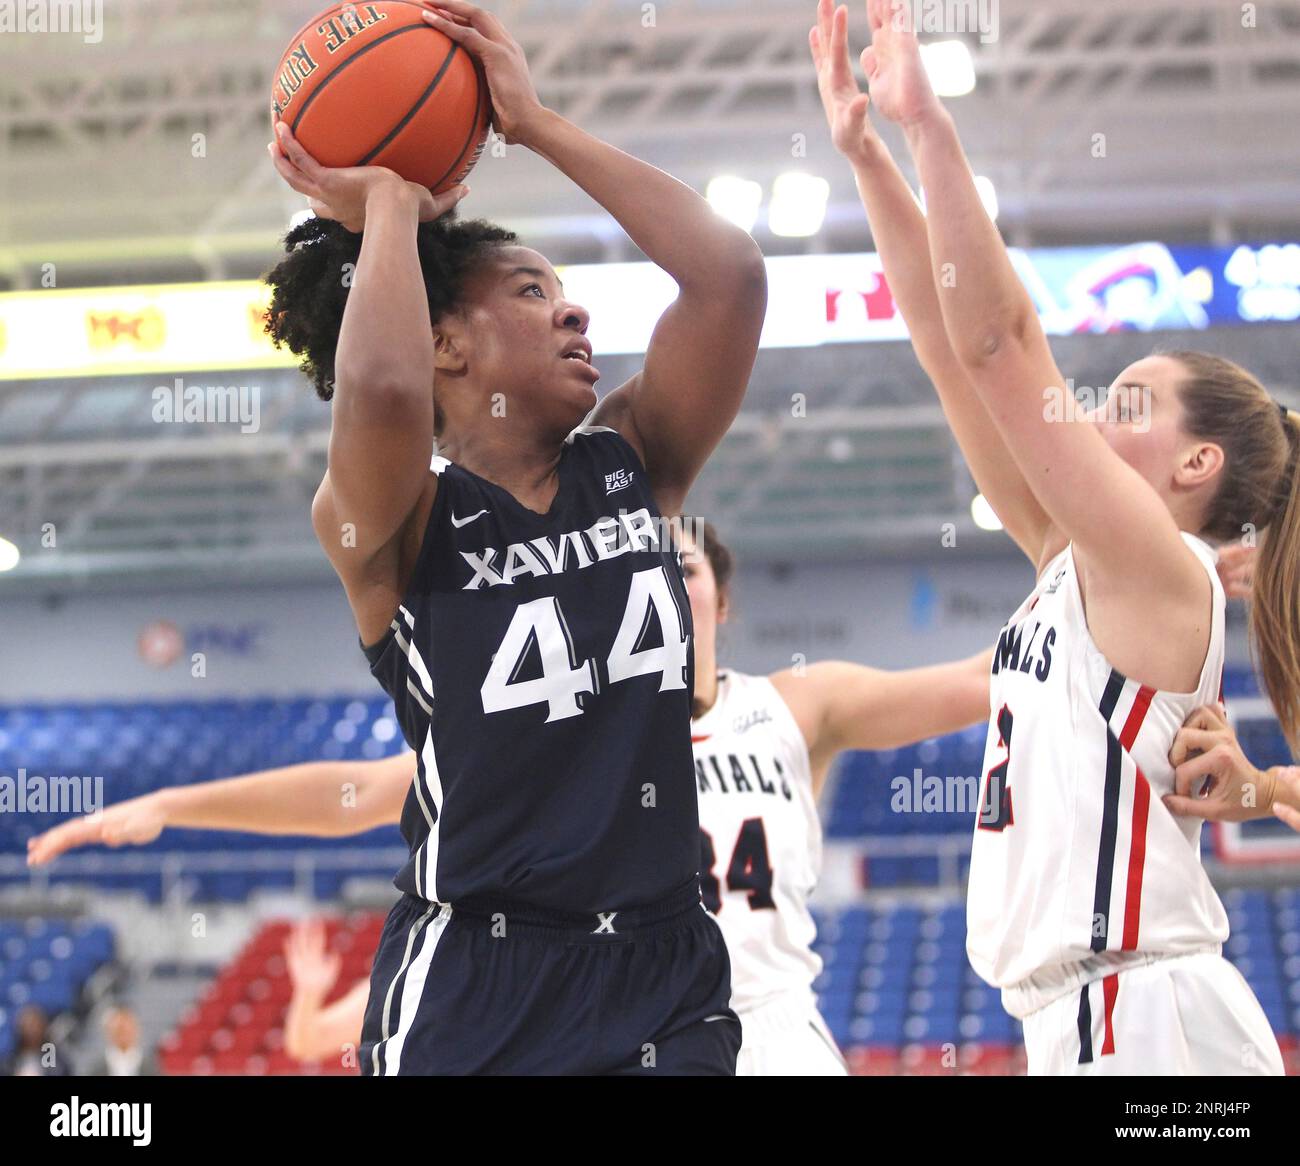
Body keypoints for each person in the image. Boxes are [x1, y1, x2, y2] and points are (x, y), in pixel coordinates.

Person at [262, 0, 768, 1074]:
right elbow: (385, 383)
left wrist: (535, 124)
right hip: (478, 975)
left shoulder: (635, 460)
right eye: (536, 292)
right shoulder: (394, 522)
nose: (575, 316)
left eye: (571, 297)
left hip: (662, 964)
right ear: (447, 342)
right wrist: (391, 207)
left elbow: (727, 279)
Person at [811, 0, 1298, 1074]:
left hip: (1147, 1012)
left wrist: (932, 128)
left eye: (1126, 406)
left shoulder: (1160, 569)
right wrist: (868, 160)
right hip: (1087, 1015)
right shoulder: (1066, 567)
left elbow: (1000, 345)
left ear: (1195, 465)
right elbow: (949, 350)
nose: (1089, 417)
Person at [2, 1006, 73, 1076]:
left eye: (35, 1025)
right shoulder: (9, 1062)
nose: (31, 1031)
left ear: (43, 1027)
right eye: (28, 1025)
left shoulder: (57, 1061)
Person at [89, 1005, 158, 1077]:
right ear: (108, 1032)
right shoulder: (96, 1070)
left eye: (128, 1029)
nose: (124, 1035)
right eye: (119, 1030)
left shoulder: (152, 1068)